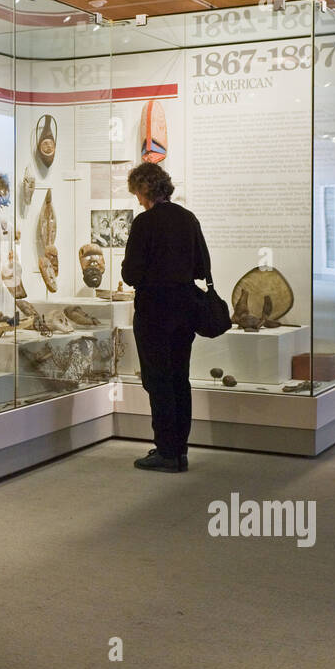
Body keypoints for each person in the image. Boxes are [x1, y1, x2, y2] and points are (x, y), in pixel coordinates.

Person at [120, 161, 211, 473]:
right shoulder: (187, 218)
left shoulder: (145, 224)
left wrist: (150, 274)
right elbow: (202, 267)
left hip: (154, 309)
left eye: (137, 193)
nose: (137, 199)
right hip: (184, 308)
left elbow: (130, 274)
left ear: (145, 189)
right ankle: (179, 450)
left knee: (157, 380)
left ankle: (166, 452)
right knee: (178, 378)